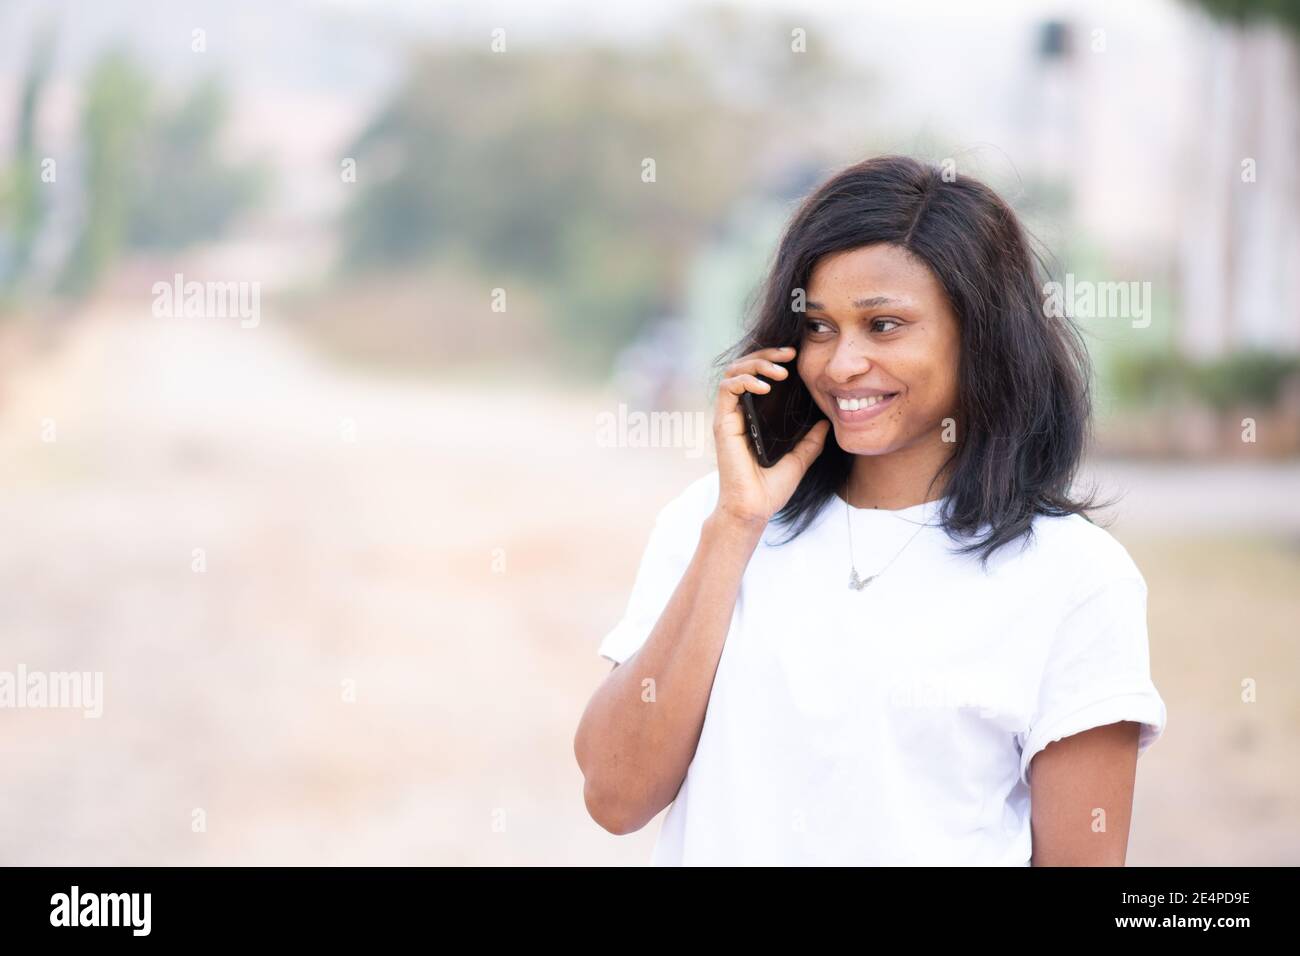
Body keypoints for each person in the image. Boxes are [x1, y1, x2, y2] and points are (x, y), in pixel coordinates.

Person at [573, 155, 1167, 866]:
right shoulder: (716, 521)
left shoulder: (1073, 577)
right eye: (819, 327)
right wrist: (735, 529)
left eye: (883, 326)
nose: (840, 363)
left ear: (982, 336)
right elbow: (615, 796)